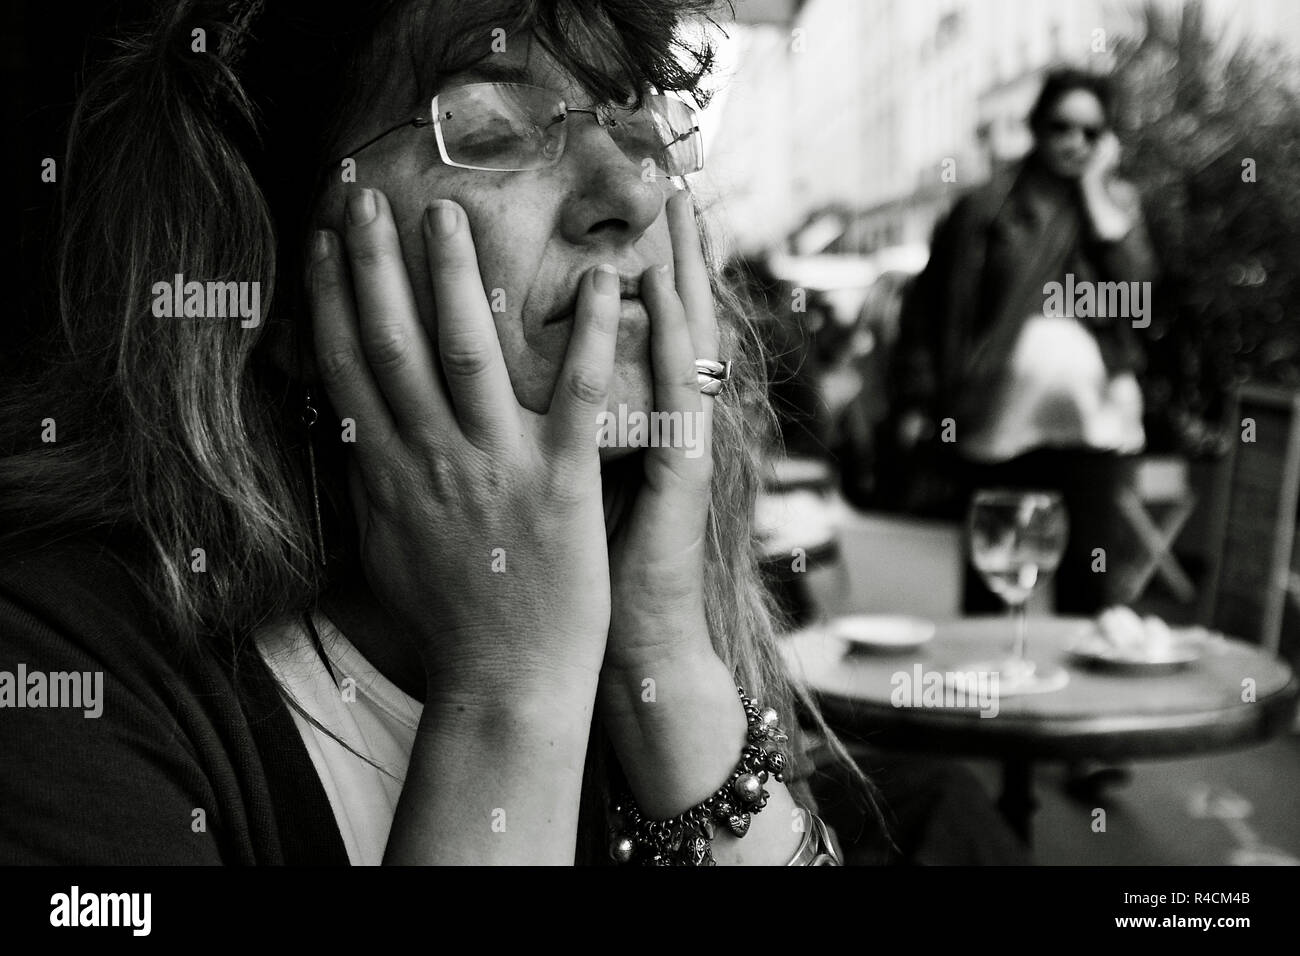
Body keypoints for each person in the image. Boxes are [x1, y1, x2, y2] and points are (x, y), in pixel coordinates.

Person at [0, 0, 869, 865]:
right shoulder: (65, 672)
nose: (635, 189)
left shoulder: (662, 617)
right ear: (280, 284)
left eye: (643, 124)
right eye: (491, 128)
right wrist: (512, 686)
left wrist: (666, 656)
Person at [894, 67, 1158, 615]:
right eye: (1062, 126)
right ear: (1037, 127)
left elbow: (1138, 297)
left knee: (1089, 591)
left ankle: (1080, 702)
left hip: (1092, 430)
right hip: (999, 424)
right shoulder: (985, 209)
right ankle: (989, 693)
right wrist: (919, 399)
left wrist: (1093, 194)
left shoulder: (1113, 208)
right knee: (994, 581)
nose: (1074, 142)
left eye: (1091, 132)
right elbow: (930, 308)